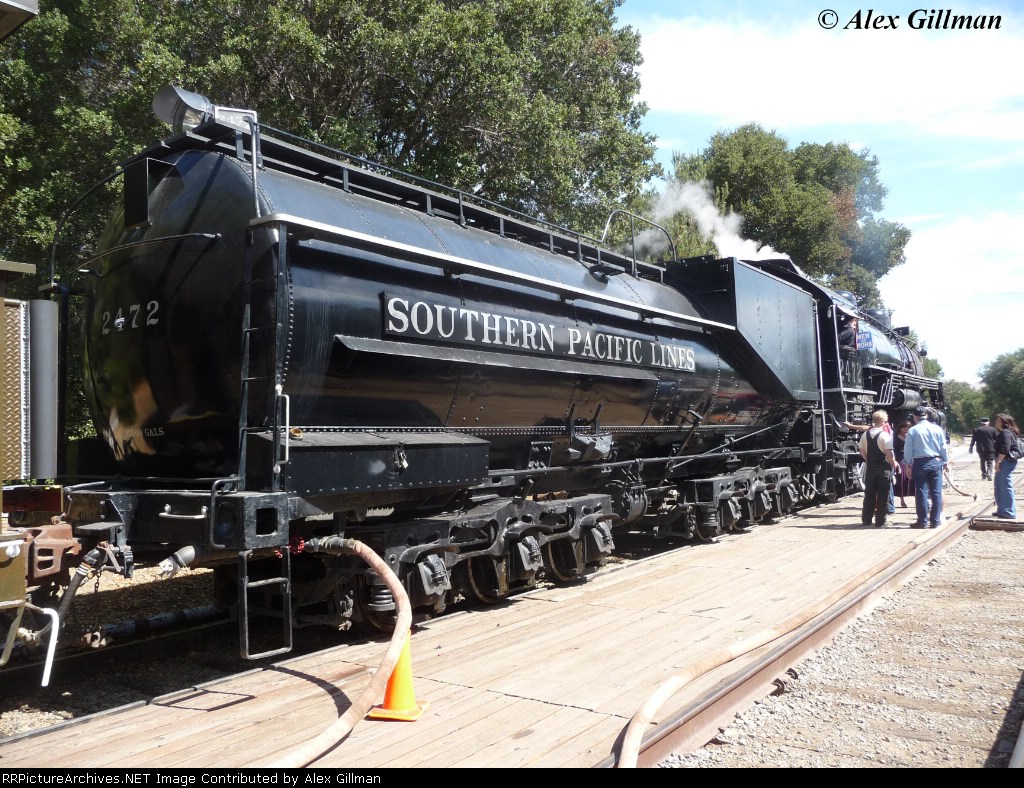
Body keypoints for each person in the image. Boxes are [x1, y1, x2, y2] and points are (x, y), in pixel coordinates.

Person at [903, 405, 949, 528]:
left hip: (919, 463)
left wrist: (907, 465)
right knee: (936, 492)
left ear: (914, 417)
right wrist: (945, 461)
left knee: (921, 492)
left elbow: (908, 450)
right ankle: (935, 521)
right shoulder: (937, 429)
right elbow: (943, 447)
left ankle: (922, 521)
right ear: (926, 415)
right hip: (935, 461)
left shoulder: (912, 430)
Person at [858, 410, 899, 527]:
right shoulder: (884, 435)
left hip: (870, 467)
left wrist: (867, 460)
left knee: (869, 494)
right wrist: (894, 464)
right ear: (883, 422)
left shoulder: (865, 434)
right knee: (883, 494)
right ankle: (880, 521)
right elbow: (888, 453)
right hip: (883, 468)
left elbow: (861, 450)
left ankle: (866, 520)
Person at [993, 413, 1019, 520]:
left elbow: (1005, 448)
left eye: (998, 420)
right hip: (1005, 461)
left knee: (1005, 486)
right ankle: (1002, 510)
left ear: (1004, 422)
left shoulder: (1005, 433)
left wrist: (998, 462)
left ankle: (1009, 511)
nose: (995, 422)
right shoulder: (1006, 432)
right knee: (999, 486)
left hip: (1005, 462)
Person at [892, 420, 915, 507]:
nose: (905, 431)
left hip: (910, 459)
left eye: (907, 429)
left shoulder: (912, 436)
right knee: (901, 480)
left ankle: (915, 498)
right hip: (899, 459)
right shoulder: (895, 436)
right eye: (904, 429)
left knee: (913, 480)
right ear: (900, 428)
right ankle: (902, 499)